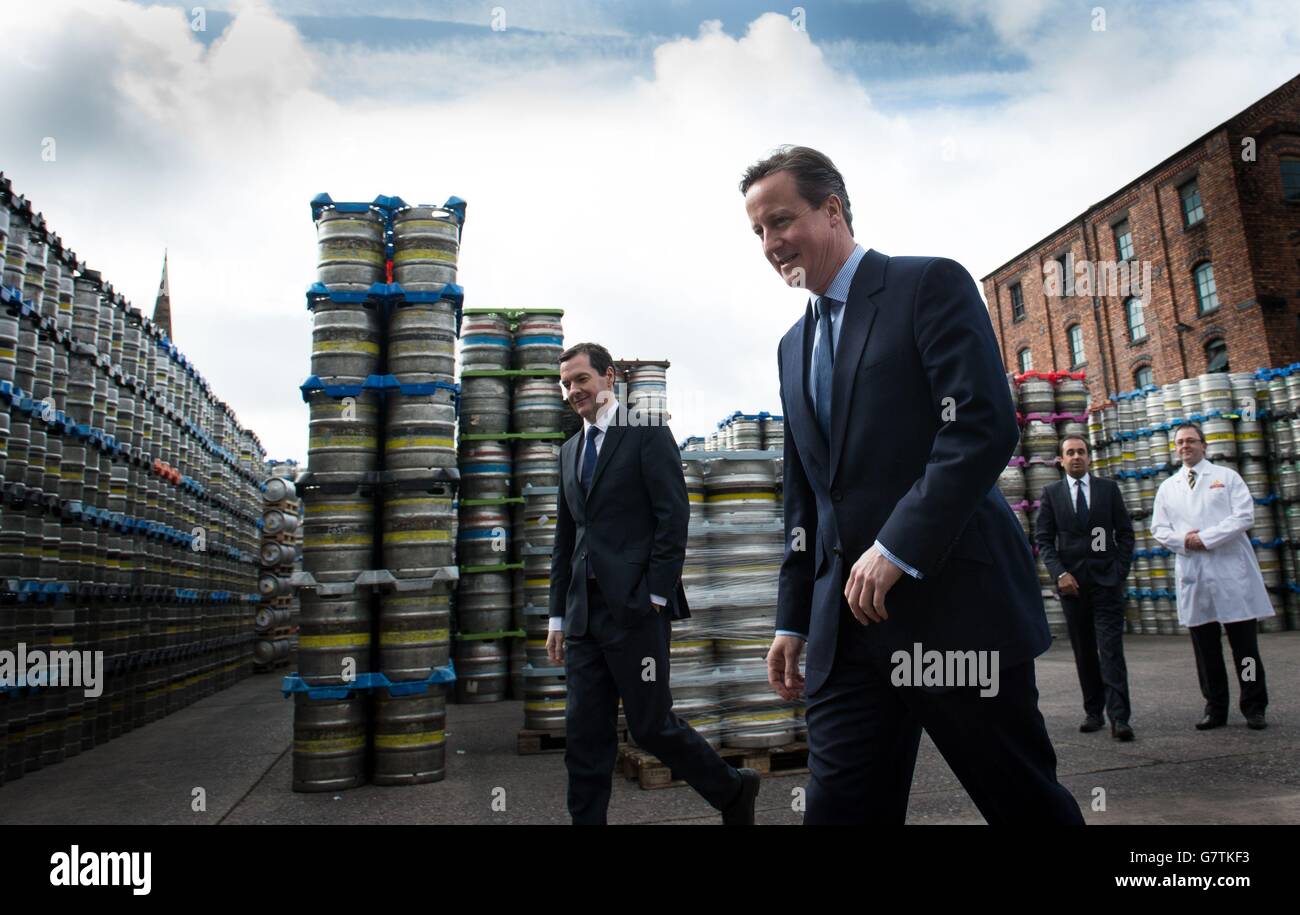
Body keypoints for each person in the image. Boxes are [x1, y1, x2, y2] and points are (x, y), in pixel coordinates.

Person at [743, 145, 1083, 824]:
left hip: (954, 615)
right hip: (846, 632)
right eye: (757, 232)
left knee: (1023, 803)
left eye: (780, 221)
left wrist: (897, 546)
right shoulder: (791, 345)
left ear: (832, 209)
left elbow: (980, 426)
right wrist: (792, 616)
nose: (770, 243)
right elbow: (807, 494)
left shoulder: (926, 285)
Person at [546, 342, 761, 824]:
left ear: (608, 378)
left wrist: (655, 596)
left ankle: (732, 790)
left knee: (651, 726)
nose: (573, 391)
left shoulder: (645, 433)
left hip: (636, 610)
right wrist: (557, 615)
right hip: (584, 615)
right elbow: (566, 540)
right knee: (583, 735)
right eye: (565, 384)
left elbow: (672, 517)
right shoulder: (568, 452)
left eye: (581, 379)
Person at [1150, 421, 1272, 730]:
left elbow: (1243, 516)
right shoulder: (1168, 487)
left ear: (1204, 445)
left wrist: (1205, 538)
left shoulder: (1226, 477)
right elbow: (1159, 529)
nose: (1185, 446)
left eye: (1191, 441)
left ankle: (1254, 705)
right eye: (1179, 442)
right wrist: (1184, 542)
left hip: (1231, 572)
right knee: (1206, 651)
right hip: (1194, 574)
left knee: (1244, 649)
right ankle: (1215, 707)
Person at [1035, 435, 1136, 740]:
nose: (1076, 457)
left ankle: (1120, 718)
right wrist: (1060, 574)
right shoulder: (1051, 494)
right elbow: (1043, 540)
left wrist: (1118, 571)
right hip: (1072, 587)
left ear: (1089, 457)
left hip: (1106, 584)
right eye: (1070, 453)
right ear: (1061, 460)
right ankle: (1094, 712)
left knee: (1110, 650)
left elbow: (1125, 534)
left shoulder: (1107, 490)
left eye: (1081, 452)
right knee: (1084, 652)